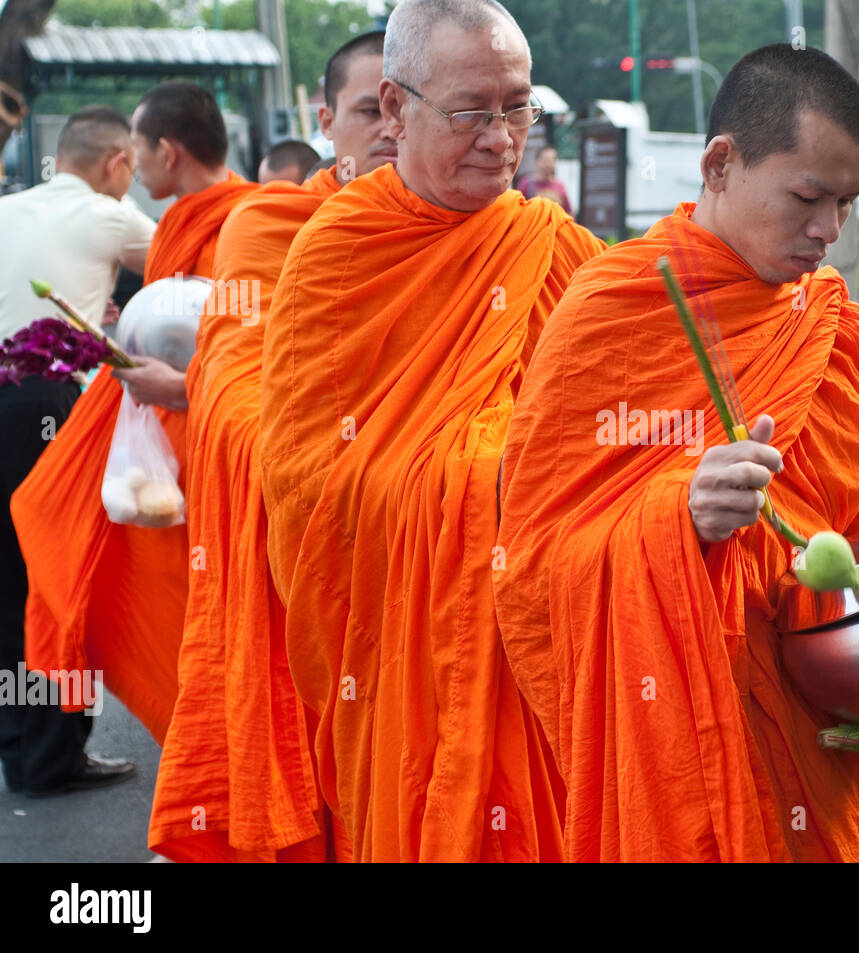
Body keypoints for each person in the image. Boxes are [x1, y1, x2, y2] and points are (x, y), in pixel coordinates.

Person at [494, 44, 859, 862]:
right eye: (806, 196)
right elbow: (535, 569)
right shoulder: (613, 310)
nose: (827, 229)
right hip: (672, 755)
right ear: (720, 163)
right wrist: (676, 517)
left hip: (813, 758)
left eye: (849, 203)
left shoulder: (839, 333)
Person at [258, 0, 604, 862]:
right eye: (470, 113)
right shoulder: (339, 251)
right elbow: (306, 481)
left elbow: (614, 439)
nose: (500, 138)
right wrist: (482, 482)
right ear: (396, 107)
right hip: (401, 652)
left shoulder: (556, 249)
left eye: (518, 108)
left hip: (538, 644)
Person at [148, 31, 392, 863]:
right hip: (308, 548)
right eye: (371, 110)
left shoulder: (502, 240)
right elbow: (233, 385)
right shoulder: (273, 223)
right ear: (328, 120)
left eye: (410, 107)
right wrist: (353, 471)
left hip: (431, 557)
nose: (393, 128)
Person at [11, 82, 257, 748]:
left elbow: (258, 346)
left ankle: (51, 751)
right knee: (68, 532)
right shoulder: (176, 220)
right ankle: (189, 764)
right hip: (137, 430)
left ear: (166, 152)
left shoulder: (247, 222)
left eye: (144, 150)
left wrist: (187, 382)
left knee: (207, 619)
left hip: (211, 439)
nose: (138, 169)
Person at [0, 105, 155, 796]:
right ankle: (55, 754)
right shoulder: (108, 215)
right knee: (60, 573)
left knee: (6, 578)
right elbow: (191, 266)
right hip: (45, 403)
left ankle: (21, 750)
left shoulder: (8, 209)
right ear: (117, 162)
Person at [516, 144, 570, 212]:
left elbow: (568, 212)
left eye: (552, 160)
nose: (548, 164)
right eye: (545, 160)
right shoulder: (526, 184)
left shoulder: (560, 186)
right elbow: (517, 209)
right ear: (537, 161)